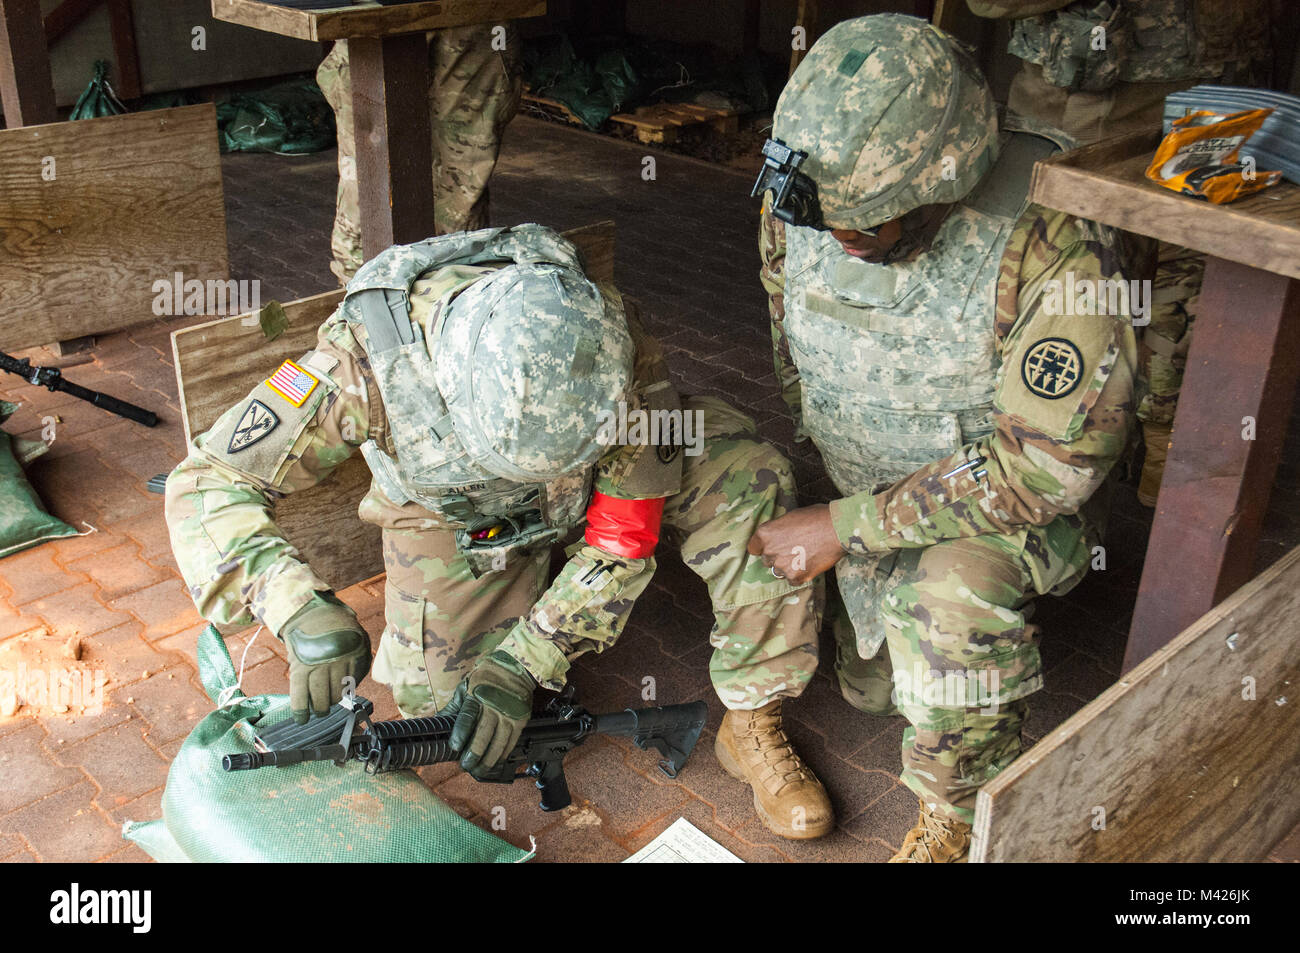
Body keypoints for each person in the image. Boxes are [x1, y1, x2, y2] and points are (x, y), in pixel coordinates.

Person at [165, 224, 834, 840]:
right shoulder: (367, 359)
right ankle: (526, 587)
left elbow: (623, 534)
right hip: (462, 521)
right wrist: (296, 606)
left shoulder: (608, 340)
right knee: (450, 715)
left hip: (599, 485)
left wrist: (526, 659)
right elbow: (208, 480)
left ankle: (755, 716)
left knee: (752, 478)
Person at [746, 14, 1136, 861]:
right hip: (871, 490)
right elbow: (791, 345)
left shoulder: (1054, 231)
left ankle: (956, 819)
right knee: (871, 692)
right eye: (830, 223)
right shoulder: (808, 197)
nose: (837, 241)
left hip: (1010, 507)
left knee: (947, 605)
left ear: (948, 179)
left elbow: (1046, 470)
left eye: (867, 226)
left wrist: (844, 527)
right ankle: (881, 617)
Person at [966, 0, 1274, 503]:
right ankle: (1034, 458)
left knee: (1186, 283)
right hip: (1075, 110)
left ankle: (1161, 464)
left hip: (1211, 96)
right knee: (1065, 287)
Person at [316, 24, 523, 284]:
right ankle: (361, 299)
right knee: (368, 176)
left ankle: (453, 297)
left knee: (459, 182)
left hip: (475, 22)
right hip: (371, 18)